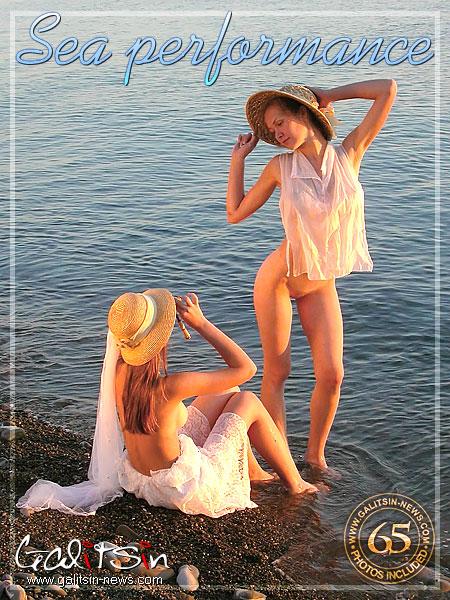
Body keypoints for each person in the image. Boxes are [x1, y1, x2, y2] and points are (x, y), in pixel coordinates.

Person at [17, 289, 317, 520]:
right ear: (158, 340)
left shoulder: (118, 371)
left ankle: (253, 473)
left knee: (230, 389)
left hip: (140, 480)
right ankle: (297, 484)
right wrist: (201, 324)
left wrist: (157, 316)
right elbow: (246, 367)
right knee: (247, 399)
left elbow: (230, 379)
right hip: (181, 489)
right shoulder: (170, 387)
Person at [226, 80, 397, 471]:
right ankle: (281, 460)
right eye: (272, 129)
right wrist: (238, 159)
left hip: (320, 283)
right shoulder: (280, 167)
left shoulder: (349, 154)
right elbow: (234, 213)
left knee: (332, 375)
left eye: (281, 122)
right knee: (278, 371)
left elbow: (387, 89)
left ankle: (315, 457)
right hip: (278, 280)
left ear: (305, 114)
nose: (277, 133)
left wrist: (330, 95)